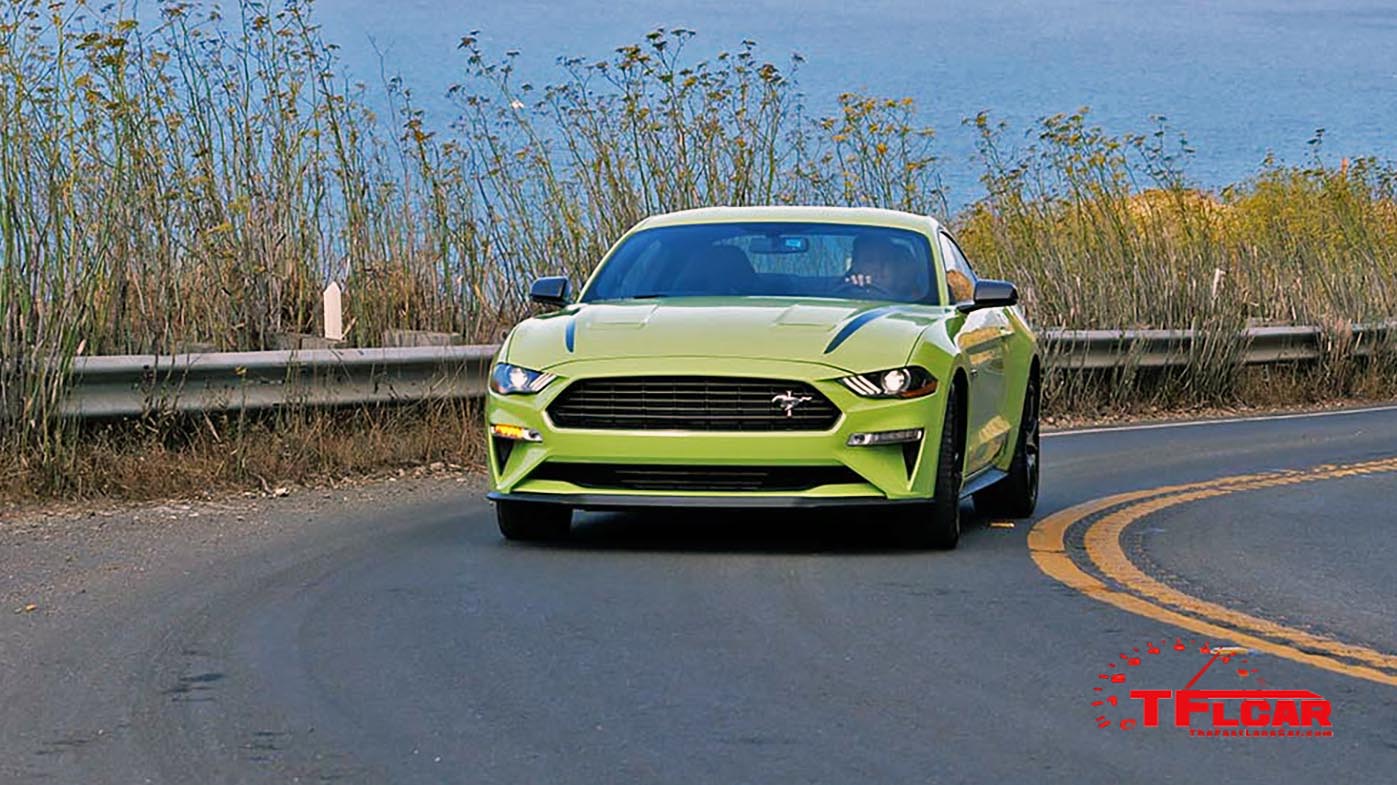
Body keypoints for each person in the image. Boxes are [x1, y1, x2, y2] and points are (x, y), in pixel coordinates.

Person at [843, 235, 926, 298]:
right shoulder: (840, 293)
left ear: (895, 266)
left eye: (886, 259)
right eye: (869, 260)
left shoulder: (919, 298)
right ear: (855, 266)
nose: (878, 266)